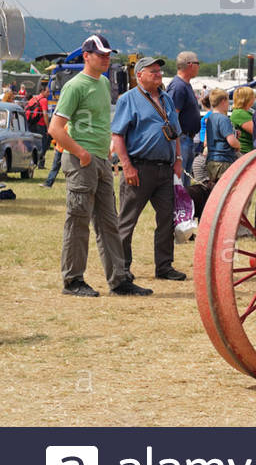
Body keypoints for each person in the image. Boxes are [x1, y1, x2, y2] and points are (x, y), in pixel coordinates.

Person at [47, 34, 151, 297]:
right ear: (86, 56)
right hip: (83, 160)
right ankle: (73, 280)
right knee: (78, 220)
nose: (106, 58)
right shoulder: (75, 86)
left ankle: (119, 280)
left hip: (101, 160)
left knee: (109, 223)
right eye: (101, 54)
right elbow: (55, 129)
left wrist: (105, 152)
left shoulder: (104, 84)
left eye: (108, 55)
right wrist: (82, 153)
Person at [111, 56, 186, 282]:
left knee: (166, 220)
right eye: (153, 71)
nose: (158, 74)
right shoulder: (129, 99)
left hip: (165, 169)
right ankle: (121, 268)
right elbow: (118, 136)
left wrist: (179, 158)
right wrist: (127, 167)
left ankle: (164, 266)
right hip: (139, 168)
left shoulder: (167, 99)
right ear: (139, 75)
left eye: (160, 71)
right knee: (127, 221)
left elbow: (175, 132)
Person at [167, 51, 202, 186]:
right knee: (180, 183)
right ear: (190, 65)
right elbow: (172, 117)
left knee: (185, 183)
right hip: (181, 140)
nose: (199, 66)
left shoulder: (184, 85)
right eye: (197, 63)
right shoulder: (178, 87)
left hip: (186, 139)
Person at [203, 87, 241, 184]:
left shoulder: (210, 118)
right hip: (224, 161)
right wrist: (238, 145)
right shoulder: (223, 119)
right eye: (228, 101)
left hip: (211, 160)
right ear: (223, 101)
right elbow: (231, 141)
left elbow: (205, 142)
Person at [25, 85, 50, 167]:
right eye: (47, 91)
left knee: (34, 144)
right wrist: (48, 127)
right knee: (44, 144)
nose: (49, 93)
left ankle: (32, 161)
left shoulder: (34, 98)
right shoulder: (44, 100)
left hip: (32, 124)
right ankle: (40, 163)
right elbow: (45, 114)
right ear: (42, 91)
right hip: (40, 125)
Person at [230, 86, 256, 156]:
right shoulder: (240, 113)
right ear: (247, 99)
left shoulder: (242, 112)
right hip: (246, 152)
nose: (254, 98)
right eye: (252, 96)